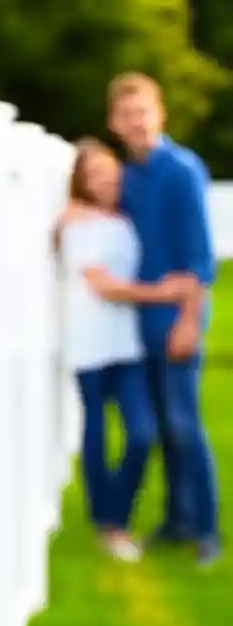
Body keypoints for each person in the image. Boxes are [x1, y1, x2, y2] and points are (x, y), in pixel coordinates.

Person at [89, 72, 222, 566]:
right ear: (113, 123)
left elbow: (199, 258)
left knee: (186, 427)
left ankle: (206, 530)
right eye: (126, 114)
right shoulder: (128, 176)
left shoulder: (182, 169)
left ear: (160, 114)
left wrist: (189, 319)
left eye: (143, 111)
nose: (136, 122)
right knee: (163, 429)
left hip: (176, 320)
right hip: (137, 324)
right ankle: (175, 519)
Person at [56, 139, 193, 561]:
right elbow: (104, 286)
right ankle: (109, 526)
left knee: (140, 433)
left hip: (126, 344)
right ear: (81, 180)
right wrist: (163, 293)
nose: (104, 180)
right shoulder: (76, 224)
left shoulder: (124, 216)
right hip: (90, 343)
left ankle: (115, 515)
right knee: (96, 434)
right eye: (93, 174)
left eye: (108, 171)